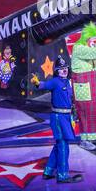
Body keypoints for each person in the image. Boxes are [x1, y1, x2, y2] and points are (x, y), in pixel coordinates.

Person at [30, 54, 82, 183]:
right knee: (63, 145)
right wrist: (37, 83)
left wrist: (73, 117)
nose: (64, 70)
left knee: (59, 145)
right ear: (56, 71)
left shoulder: (67, 82)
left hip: (66, 117)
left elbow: (70, 100)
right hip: (58, 117)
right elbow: (43, 85)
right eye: (61, 68)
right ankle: (63, 175)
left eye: (65, 68)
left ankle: (48, 171)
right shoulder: (55, 81)